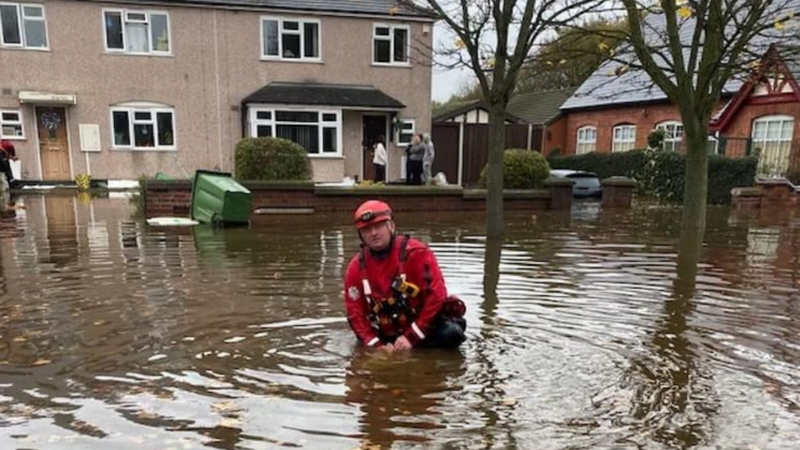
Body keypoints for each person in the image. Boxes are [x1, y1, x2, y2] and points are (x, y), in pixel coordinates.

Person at [344, 200, 467, 351]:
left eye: (379, 226)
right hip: (385, 334)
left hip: (423, 328)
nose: (374, 233)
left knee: (451, 334)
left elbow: (436, 297)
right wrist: (376, 347)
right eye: (367, 229)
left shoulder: (418, 254)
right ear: (361, 235)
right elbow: (355, 314)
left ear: (391, 226)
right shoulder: (355, 268)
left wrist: (411, 337)